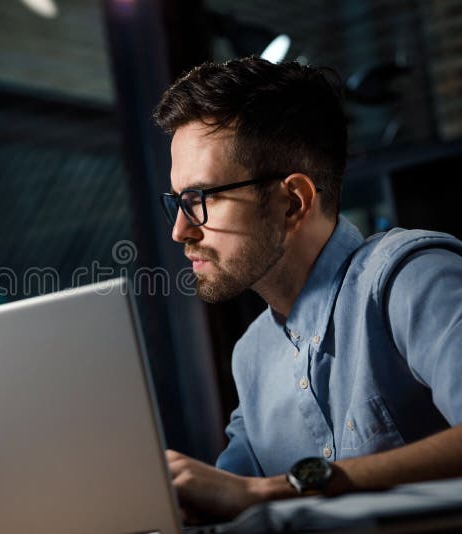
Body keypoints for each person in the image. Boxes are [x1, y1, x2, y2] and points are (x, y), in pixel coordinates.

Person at [152, 56, 462, 523]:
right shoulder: (252, 357)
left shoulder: (410, 278)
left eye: (202, 199)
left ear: (292, 203)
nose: (180, 230)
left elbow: (251, 494)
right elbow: (226, 500)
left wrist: (276, 490)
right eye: (178, 202)